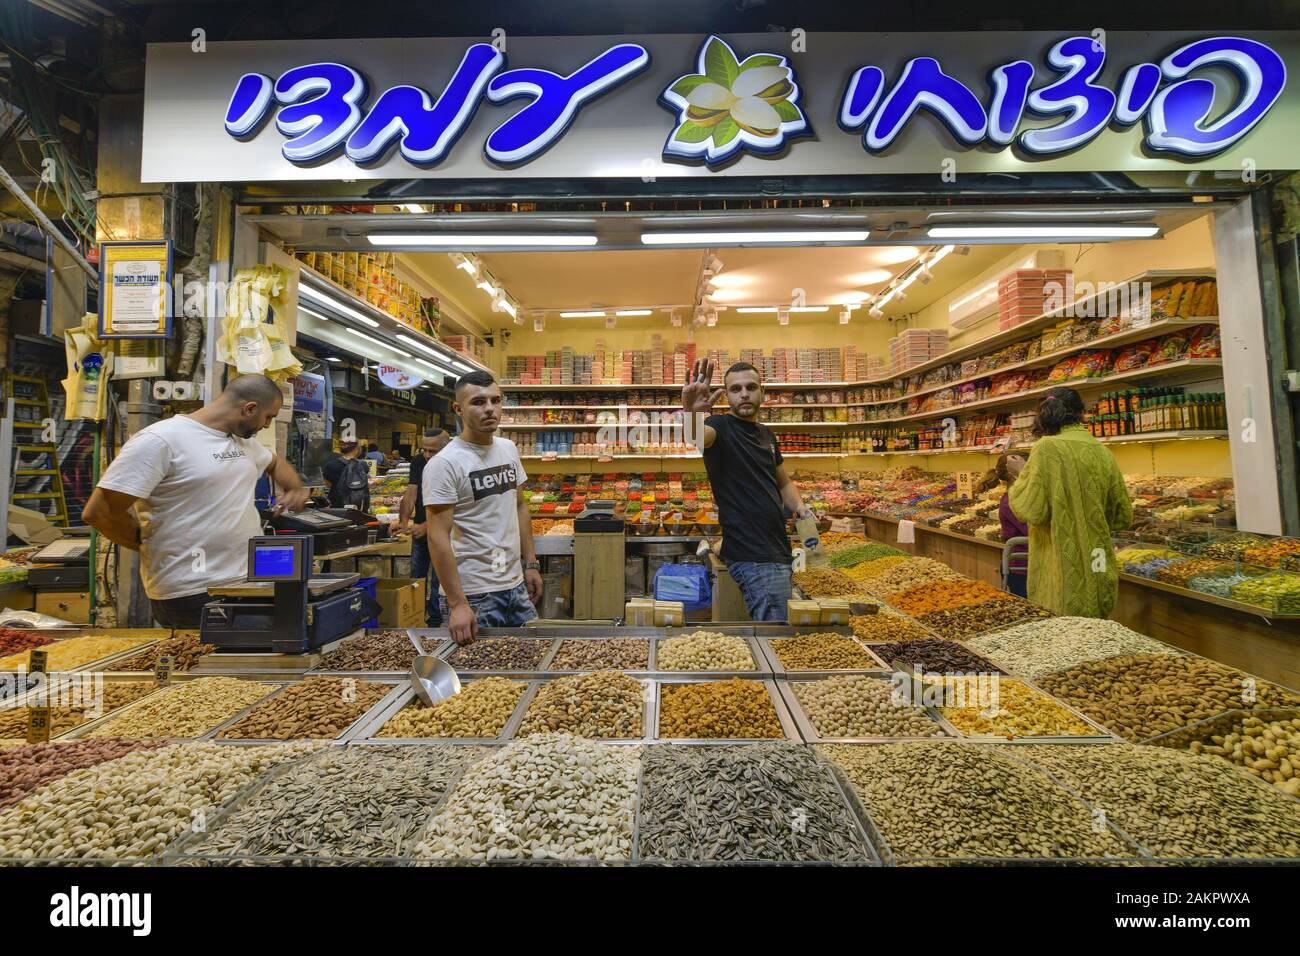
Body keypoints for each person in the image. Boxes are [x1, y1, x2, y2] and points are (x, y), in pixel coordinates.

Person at [83, 374, 310, 628]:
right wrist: (143, 542)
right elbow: (100, 511)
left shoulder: (243, 442)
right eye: (268, 417)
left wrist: (294, 488)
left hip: (246, 581)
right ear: (249, 408)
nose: (267, 425)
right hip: (192, 591)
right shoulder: (161, 440)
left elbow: (275, 462)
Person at [682, 359, 813, 621]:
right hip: (751, 552)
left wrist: (800, 507)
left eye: (751, 387)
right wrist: (691, 413)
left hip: (776, 546)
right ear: (727, 395)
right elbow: (696, 437)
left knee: (778, 622)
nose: (744, 394)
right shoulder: (719, 427)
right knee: (775, 626)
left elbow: (783, 481)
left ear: (762, 392)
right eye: (735, 389)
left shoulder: (766, 434)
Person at [423, 371, 543, 644]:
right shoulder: (445, 463)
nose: (489, 409)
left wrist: (531, 562)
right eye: (478, 402)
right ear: (458, 409)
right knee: (476, 681)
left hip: (514, 586)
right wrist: (458, 604)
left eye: (495, 400)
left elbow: (520, 506)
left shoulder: (508, 449)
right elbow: (437, 536)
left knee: (526, 667)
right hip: (475, 593)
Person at [1008, 387, 1133, 617]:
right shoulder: (1101, 449)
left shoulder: (1046, 447)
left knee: (1065, 634)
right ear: (1081, 413)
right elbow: (1122, 516)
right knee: (1096, 627)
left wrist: (1021, 474)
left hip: (1062, 562)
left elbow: (1031, 510)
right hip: (1099, 556)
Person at [400, 427, 450, 626]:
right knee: (417, 578)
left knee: (440, 580)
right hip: (420, 531)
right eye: (424, 450)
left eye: (432, 451)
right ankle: (415, 614)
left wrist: (427, 526)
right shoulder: (418, 461)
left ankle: (436, 622)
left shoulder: (452, 464)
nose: (427, 455)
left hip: (443, 533)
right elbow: (411, 492)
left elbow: (454, 506)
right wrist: (404, 521)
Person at [993, 452, 1030, 598]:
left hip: (1025, 567)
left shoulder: (1016, 497)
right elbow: (1034, 529)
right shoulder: (1013, 501)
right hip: (1021, 569)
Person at [321, 441, 369, 510]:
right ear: (356, 449)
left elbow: (328, 485)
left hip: (338, 505)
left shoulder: (331, 465)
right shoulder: (363, 464)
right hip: (358, 504)